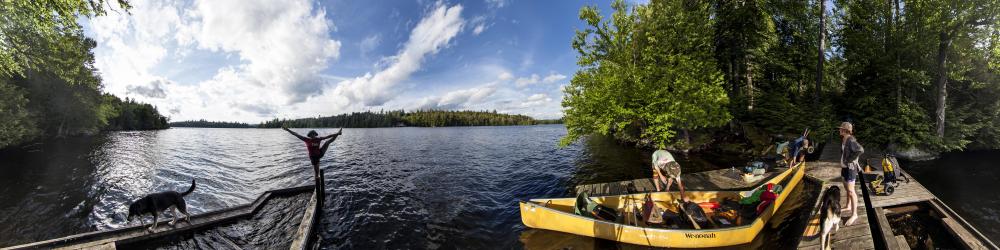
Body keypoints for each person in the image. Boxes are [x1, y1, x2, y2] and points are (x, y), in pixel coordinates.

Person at [838, 122, 864, 226]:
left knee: (851, 190)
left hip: (850, 168)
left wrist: (849, 160)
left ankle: (854, 214)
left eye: (841, 129)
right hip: (844, 168)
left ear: (845, 130)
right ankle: (848, 206)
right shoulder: (844, 139)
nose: (839, 130)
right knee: (847, 188)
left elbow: (860, 150)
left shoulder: (851, 140)